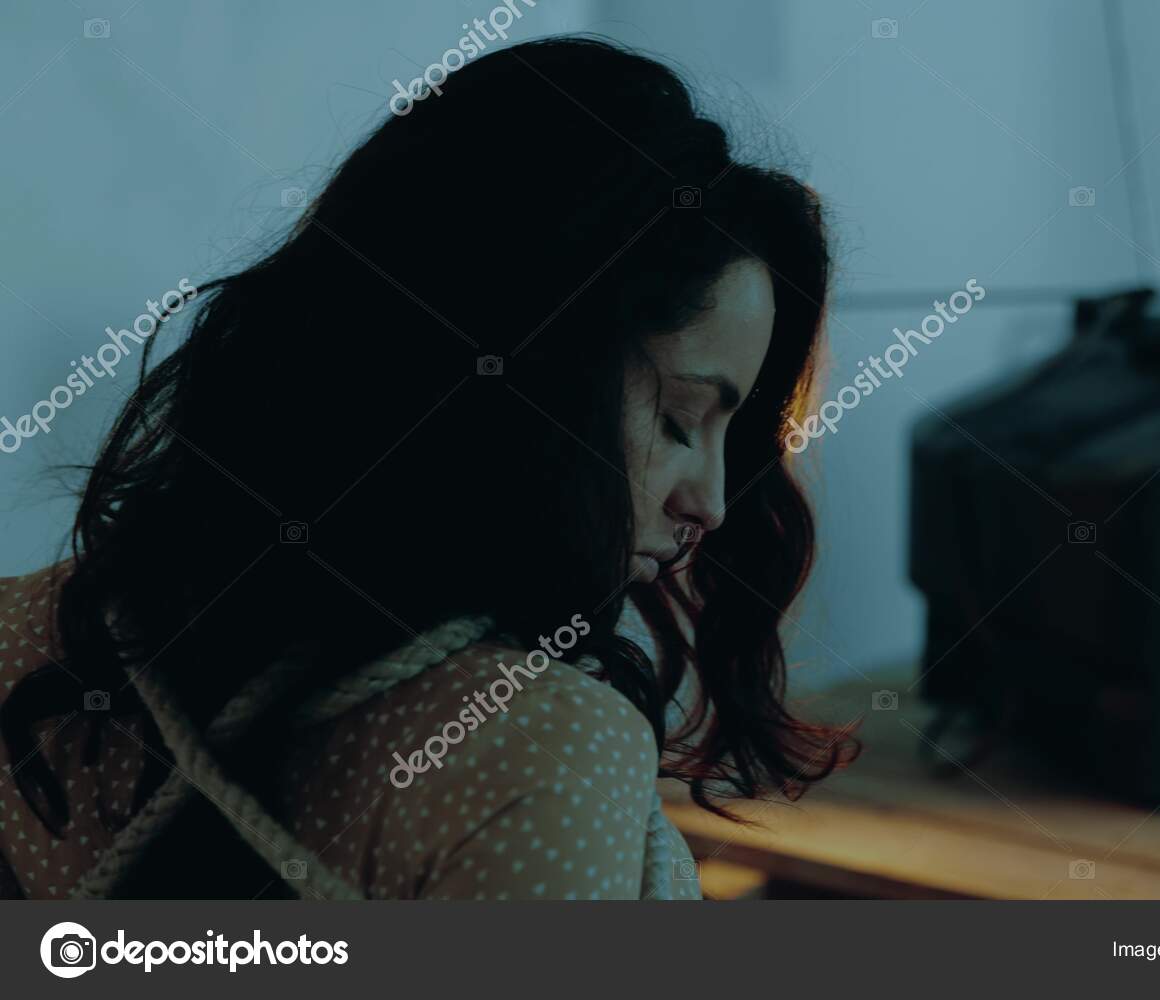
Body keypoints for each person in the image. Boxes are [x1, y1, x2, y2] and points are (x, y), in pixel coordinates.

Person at [0, 36, 855, 900]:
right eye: (678, 418)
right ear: (516, 371)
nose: (708, 501)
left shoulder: (19, 638)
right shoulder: (544, 744)